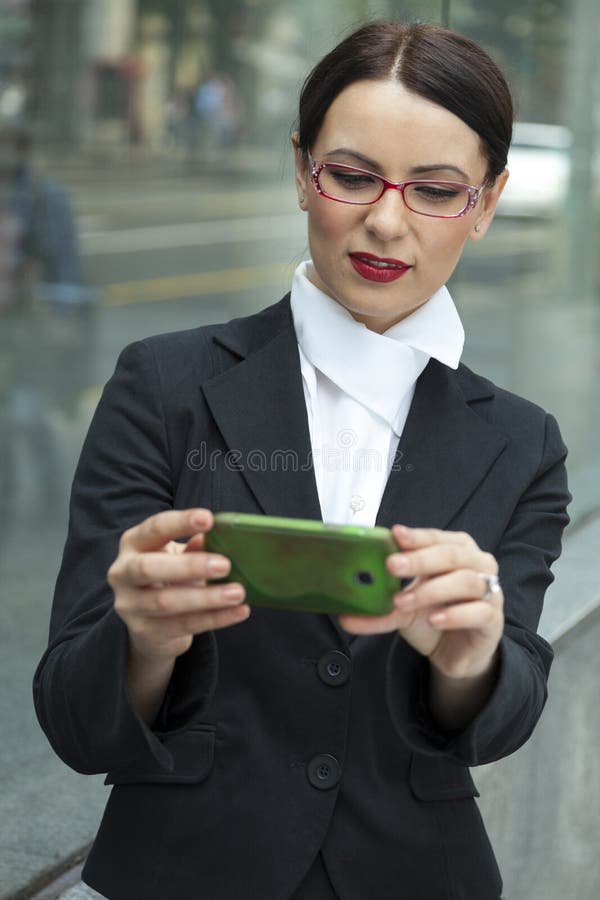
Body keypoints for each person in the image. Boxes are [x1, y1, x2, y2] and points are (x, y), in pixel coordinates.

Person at [33, 21, 570, 900]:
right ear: (300, 170)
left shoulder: (522, 441)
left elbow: (506, 716)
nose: (386, 221)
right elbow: (71, 720)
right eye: (351, 176)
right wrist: (143, 640)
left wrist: (470, 659)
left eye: (437, 190)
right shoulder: (164, 386)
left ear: (488, 203)